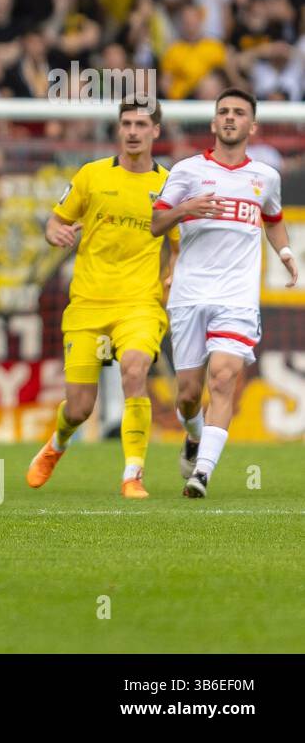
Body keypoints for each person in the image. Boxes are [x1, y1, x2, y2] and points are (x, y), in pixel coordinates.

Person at [150, 88, 298, 497]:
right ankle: (193, 436)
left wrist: (284, 251)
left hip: (236, 297)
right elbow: (156, 224)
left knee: (224, 377)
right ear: (214, 124)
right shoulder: (186, 171)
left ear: (252, 126)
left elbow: (273, 218)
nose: (230, 118)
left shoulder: (266, 177)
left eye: (238, 113)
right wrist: (186, 209)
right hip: (189, 294)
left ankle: (203, 474)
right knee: (188, 395)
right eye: (223, 112)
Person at [27, 99, 176, 498]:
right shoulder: (91, 175)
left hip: (139, 303)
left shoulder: (170, 185)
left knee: (134, 369)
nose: (132, 131)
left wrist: (174, 273)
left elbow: (180, 243)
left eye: (141, 124)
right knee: (78, 408)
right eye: (126, 123)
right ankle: (57, 444)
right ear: (118, 129)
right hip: (88, 304)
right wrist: (53, 232)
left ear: (155, 132)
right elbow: (57, 220)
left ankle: (133, 474)